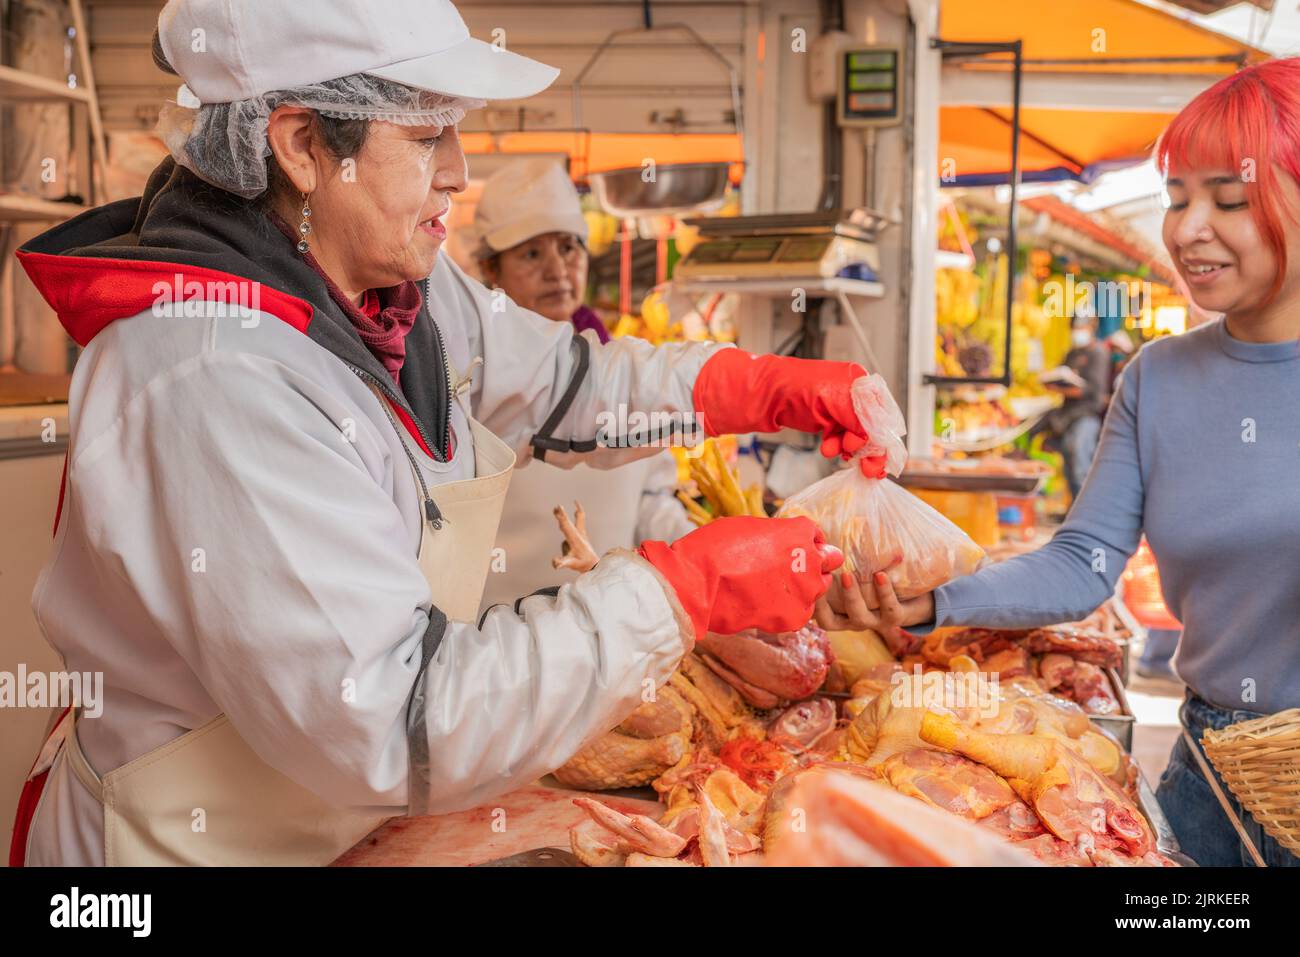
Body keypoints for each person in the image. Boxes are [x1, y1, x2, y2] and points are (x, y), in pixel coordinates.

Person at [9, 0, 877, 867]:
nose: (459, 171)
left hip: (348, 823)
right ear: (303, 144)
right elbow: (394, 713)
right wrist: (678, 593)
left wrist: (751, 386)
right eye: (427, 137)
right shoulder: (210, 369)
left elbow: (565, 383)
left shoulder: (382, 278)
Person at [821, 57, 1300, 867]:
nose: (1187, 229)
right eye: (1177, 198)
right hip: (1208, 781)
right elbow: (1084, 562)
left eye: (1229, 199)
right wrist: (932, 600)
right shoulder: (1157, 376)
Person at [470, 159, 693, 614]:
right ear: (492, 270)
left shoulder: (623, 371)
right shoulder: (468, 378)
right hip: (491, 639)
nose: (557, 270)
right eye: (532, 254)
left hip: (609, 635)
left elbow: (651, 501)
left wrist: (699, 551)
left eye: (569, 249)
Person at [1044, 313, 1111, 500]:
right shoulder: (1073, 353)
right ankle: (1073, 510)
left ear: (1091, 328)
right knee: (1069, 465)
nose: (1077, 332)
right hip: (1068, 415)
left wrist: (1070, 388)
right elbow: (1060, 373)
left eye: (1081, 328)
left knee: (1080, 464)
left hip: (1087, 415)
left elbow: (1094, 390)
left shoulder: (1098, 352)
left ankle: (1087, 512)